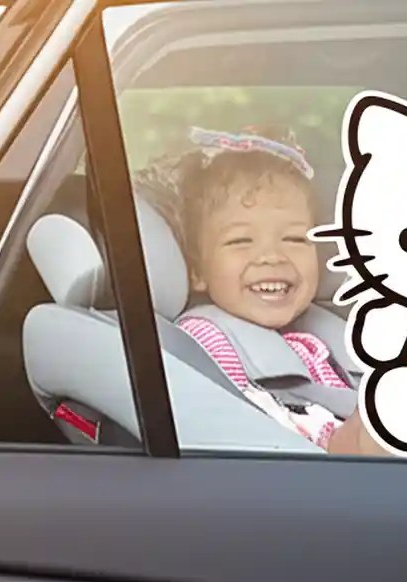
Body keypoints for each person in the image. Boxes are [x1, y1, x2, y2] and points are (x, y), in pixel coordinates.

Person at [138, 125, 380, 454]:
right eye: (240, 241)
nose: (271, 257)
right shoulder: (205, 342)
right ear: (197, 270)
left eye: (295, 239)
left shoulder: (330, 331)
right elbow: (248, 435)